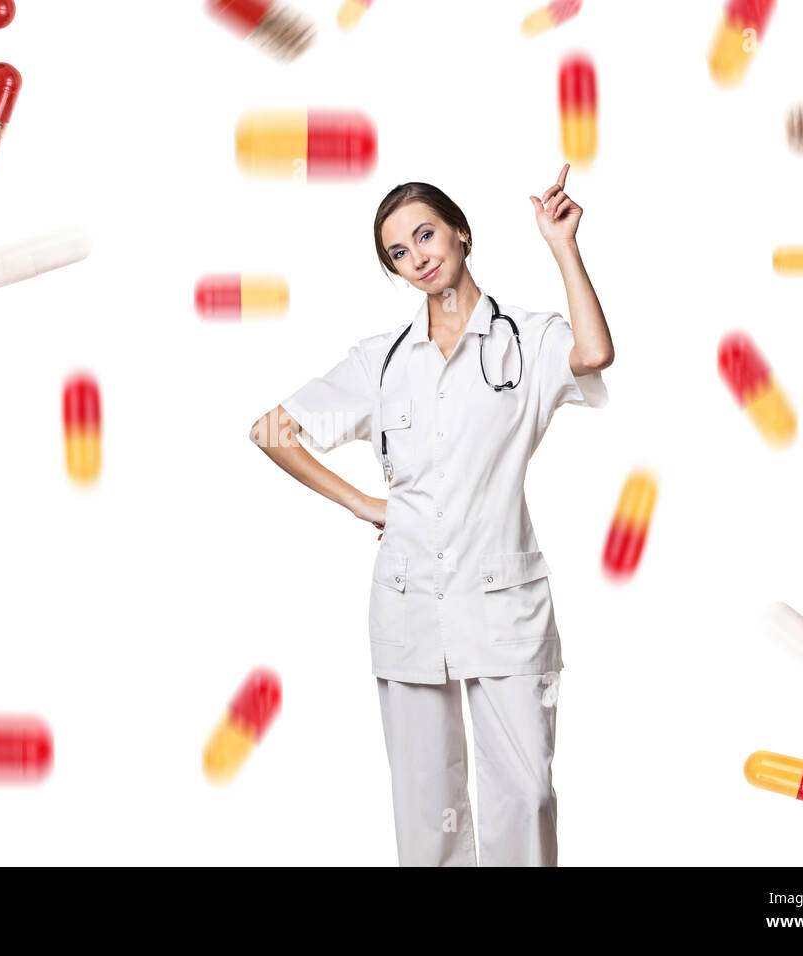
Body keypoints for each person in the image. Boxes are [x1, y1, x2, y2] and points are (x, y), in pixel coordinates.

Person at [248, 166, 613, 866]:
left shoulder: (527, 341)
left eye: (425, 234)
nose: (417, 255)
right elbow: (273, 429)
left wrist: (562, 245)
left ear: (460, 234)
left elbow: (594, 353)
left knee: (527, 793)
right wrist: (364, 504)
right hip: (408, 600)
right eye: (398, 252)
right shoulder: (380, 361)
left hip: (503, 599)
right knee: (427, 807)